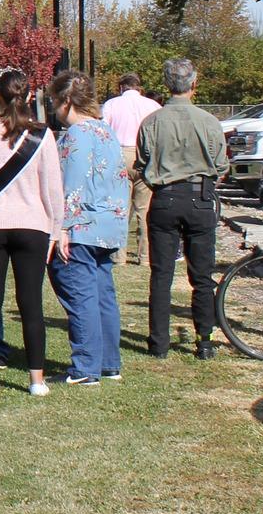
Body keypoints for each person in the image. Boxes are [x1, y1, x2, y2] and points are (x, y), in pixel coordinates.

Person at [0, 68, 65, 396]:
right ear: (29, 95)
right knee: (31, 303)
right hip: (32, 225)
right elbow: (52, 189)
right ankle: (37, 381)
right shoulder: (42, 134)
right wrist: (54, 230)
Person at [136, 58, 227, 359]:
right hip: (200, 197)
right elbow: (221, 165)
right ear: (194, 85)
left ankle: (159, 343)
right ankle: (205, 340)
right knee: (202, 274)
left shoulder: (152, 122)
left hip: (165, 197)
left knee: (161, 274)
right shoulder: (210, 122)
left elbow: (142, 163)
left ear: (166, 85)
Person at [46, 71, 129, 385]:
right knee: (102, 294)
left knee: (80, 295)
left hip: (82, 227)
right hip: (108, 225)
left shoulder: (78, 134)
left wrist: (63, 227)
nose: (54, 108)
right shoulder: (105, 131)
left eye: (55, 102)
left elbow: (74, 184)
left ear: (67, 101)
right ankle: (109, 363)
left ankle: (85, 368)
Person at [100, 73, 161, 266]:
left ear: (121, 88)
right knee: (144, 210)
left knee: (121, 208)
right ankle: (144, 256)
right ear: (139, 88)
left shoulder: (111, 104)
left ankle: (119, 255)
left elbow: (103, 131)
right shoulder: (152, 106)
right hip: (145, 154)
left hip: (119, 153)